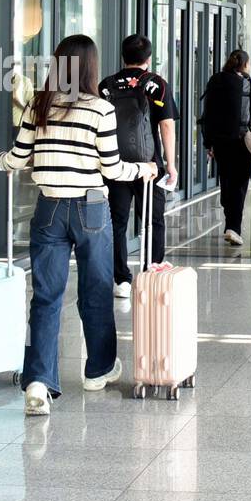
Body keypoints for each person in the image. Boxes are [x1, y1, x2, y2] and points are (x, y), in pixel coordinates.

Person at [0, 35, 157, 416]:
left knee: (46, 297)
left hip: (49, 208)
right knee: (96, 291)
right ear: (90, 67)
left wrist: (1, 160)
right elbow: (113, 169)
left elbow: (18, 159)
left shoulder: (39, 105)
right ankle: (98, 370)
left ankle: (38, 382)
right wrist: (146, 169)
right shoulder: (100, 110)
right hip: (91, 208)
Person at [98, 33, 179, 301]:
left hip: (115, 165)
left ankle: (121, 280)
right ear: (149, 58)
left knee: (117, 222)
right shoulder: (157, 84)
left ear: (123, 57)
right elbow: (166, 125)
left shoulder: (107, 86)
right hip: (149, 166)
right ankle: (152, 274)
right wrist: (171, 165)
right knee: (153, 221)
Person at [200, 48, 251, 247]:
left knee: (226, 181)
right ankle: (233, 227)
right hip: (243, 140)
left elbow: (207, 113)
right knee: (240, 185)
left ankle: (230, 224)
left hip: (221, 141)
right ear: (245, 64)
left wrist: (209, 142)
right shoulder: (249, 84)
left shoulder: (215, 80)